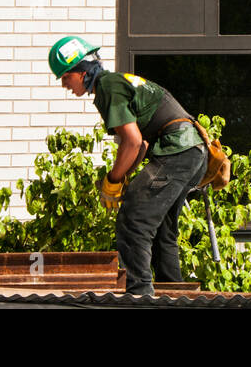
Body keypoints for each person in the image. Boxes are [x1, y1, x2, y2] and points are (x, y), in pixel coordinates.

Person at [47, 35, 208, 295]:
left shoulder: (108, 87)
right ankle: (174, 293)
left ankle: (139, 294)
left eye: (65, 76)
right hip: (191, 151)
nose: (65, 85)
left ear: (81, 71)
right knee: (162, 227)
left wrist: (112, 180)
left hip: (177, 150)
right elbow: (142, 146)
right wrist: (125, 178)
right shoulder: (118, 82)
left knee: (133, 216)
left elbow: (132, 142)